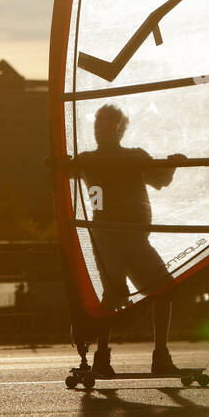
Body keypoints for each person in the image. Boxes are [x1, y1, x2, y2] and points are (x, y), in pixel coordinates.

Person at [74, 104, 186, 376]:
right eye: (97, 125)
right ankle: (101, 354)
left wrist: (173, 164)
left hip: (136, 240)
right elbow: (61, 174)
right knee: (114, 292)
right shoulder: (87, 160)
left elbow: (160, 181)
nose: (100, 130)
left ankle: (161, 354)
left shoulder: (134, 156)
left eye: (106, 126)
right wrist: (56, 160)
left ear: (119, 129)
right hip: (106, 239)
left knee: (164, 290)